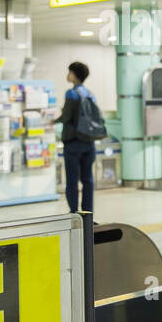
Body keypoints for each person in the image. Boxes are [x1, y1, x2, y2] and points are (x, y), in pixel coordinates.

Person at [55, 61, 97, 215]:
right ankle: (88, 212)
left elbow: (66, 117)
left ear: (74, 75)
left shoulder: (71, 93)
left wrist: (54, 120)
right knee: (88, 180)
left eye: (69, 72)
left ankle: (73, 212)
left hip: (73, 143)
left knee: (72, 181)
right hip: (89, 142)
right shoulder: (90, 94)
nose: (68, 75)